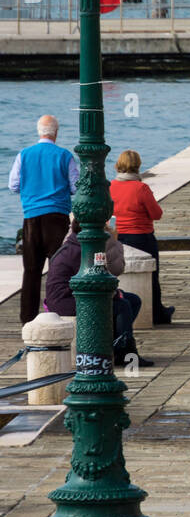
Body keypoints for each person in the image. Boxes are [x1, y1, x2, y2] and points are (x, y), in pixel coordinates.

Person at [45, 216, 153, 369]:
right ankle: (126, 352)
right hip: (66, 301)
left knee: (133, 300)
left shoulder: (75, 243)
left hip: (74, 295)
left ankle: (115, 343)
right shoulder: (82, 250)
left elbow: (99, 277)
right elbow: (96, 281)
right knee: (122, 306)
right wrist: (115, 294)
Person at [8, 115, 79, 326]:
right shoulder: (64, 156)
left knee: (31, 270)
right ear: (56, 132)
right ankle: (56, 311)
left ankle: (27, 319)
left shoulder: (24, 154)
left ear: (39, 131)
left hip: (31, 219)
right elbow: (75, 187)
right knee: (58, 269)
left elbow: (13, 185)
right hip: (57, 218)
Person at [110, 149, 174, 325]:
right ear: (137, 166)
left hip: (119, 236)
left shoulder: (111, 186)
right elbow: (156, 214)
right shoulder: (141, 188)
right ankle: (157, 313)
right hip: (142, 236)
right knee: (152, 276)